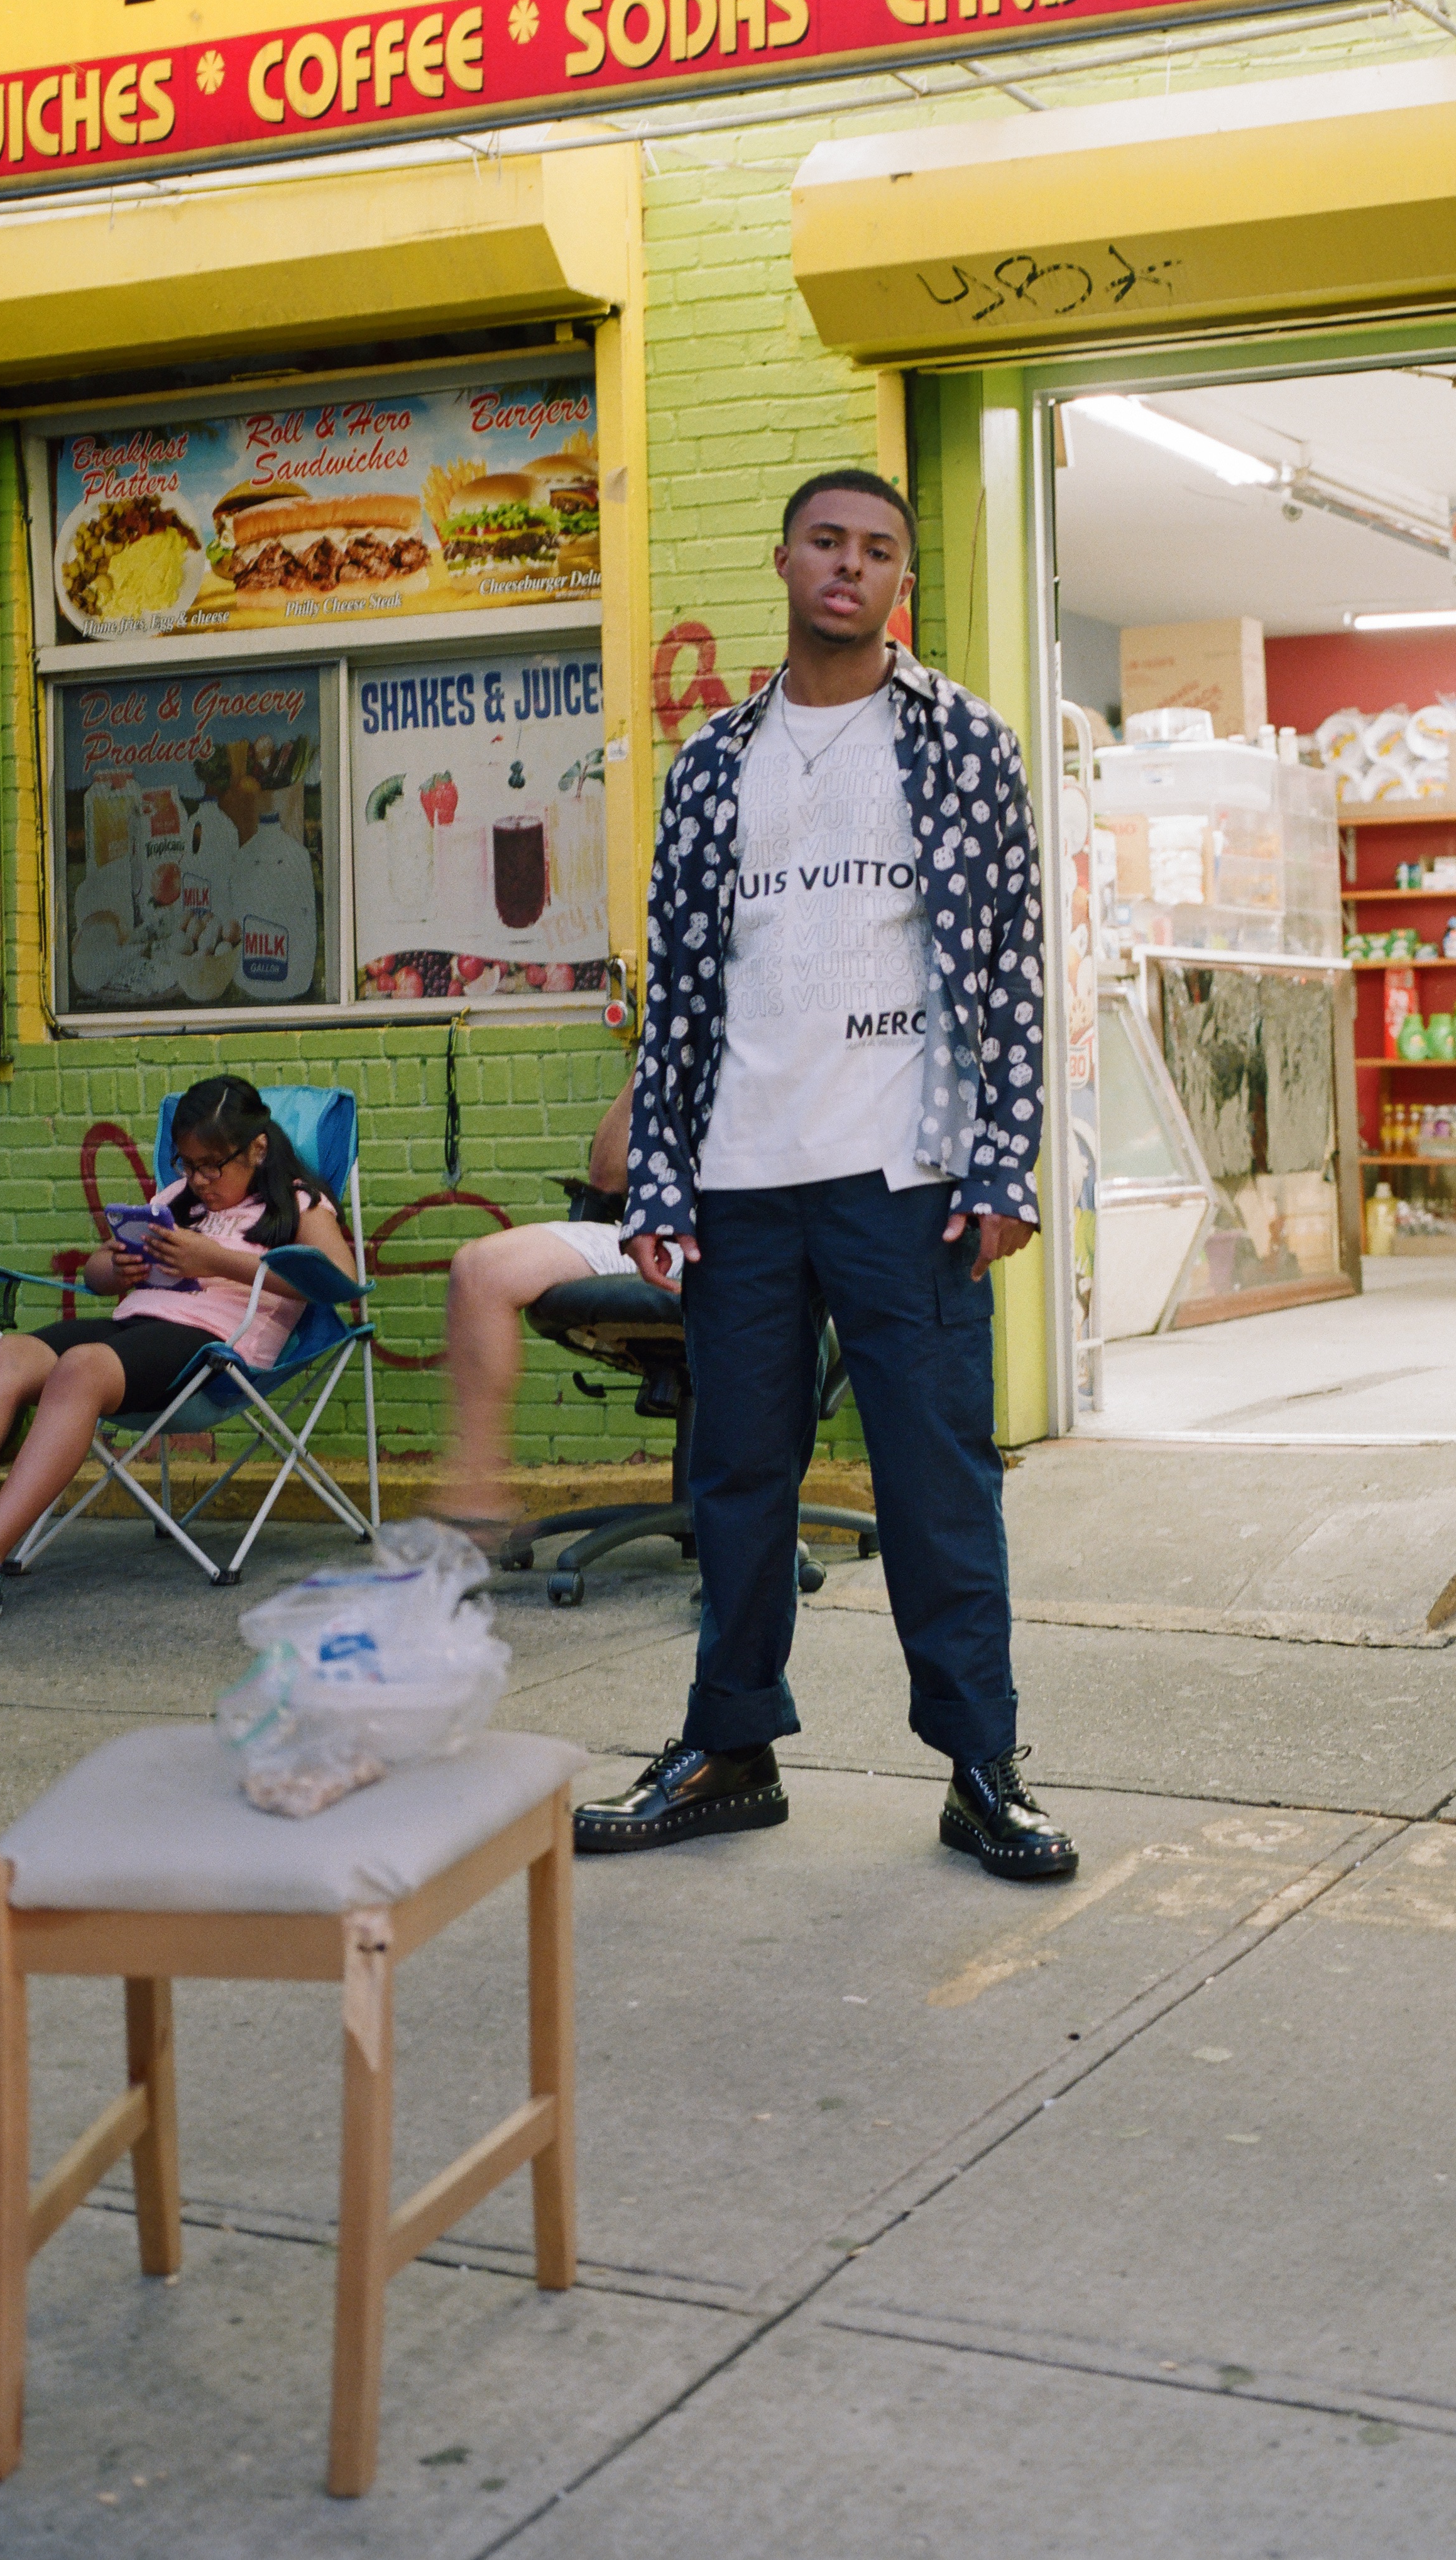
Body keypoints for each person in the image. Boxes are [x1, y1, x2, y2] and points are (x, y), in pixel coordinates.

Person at [581, 464, 1073, 1882]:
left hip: (903, 1171)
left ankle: (982, 1767)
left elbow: (1005, 967)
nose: (849, 568)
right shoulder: (712, 765)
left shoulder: (964, 744)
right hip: (740, 1174)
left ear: (899, 580)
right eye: (825, 543)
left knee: (936, 1482)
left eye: (877, 552)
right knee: (737, 1473)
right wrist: (661, 1181)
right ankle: (729, 1747)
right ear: (784, 560)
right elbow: (679, 989)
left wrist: (1004, 1160)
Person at [0, 1074, 359, 1626]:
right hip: (137, 1325)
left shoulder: (298, 1203)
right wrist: (118, 1266)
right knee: (9, 1354)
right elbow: (95, 1277)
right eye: (188, 1164)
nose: (201, 1179)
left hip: (218, 1349)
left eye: (213, 1165)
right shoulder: (178, 1198)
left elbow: (341, 1280)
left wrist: (216, 1261)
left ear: (257, 1149)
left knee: (80, 1368)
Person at [425, 1096, 638, 1550]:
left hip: (736, 1236)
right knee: (477, 1268)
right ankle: (477, 1488)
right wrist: (649, 1063)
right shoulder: (679, 1036)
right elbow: (607, 1178)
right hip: (651, 1230)